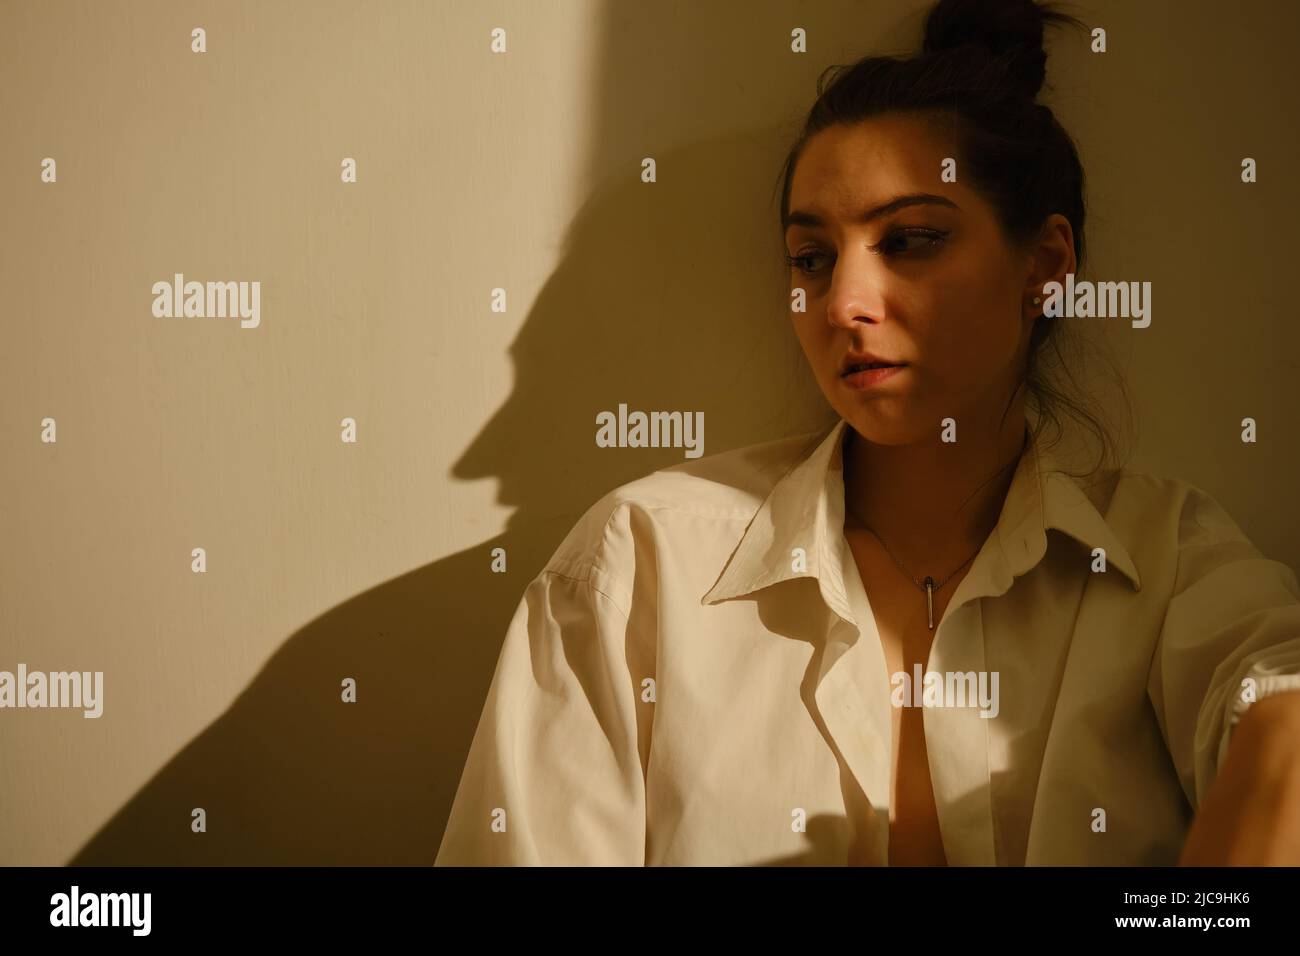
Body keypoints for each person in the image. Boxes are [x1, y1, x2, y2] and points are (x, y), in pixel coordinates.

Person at [434, 0, 1300, 866]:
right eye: (812, 258)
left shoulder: (1166, 559)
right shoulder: (641, 564)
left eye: (912, 240)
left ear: (1046, 267)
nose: (843, 302)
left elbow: (1279, 694)